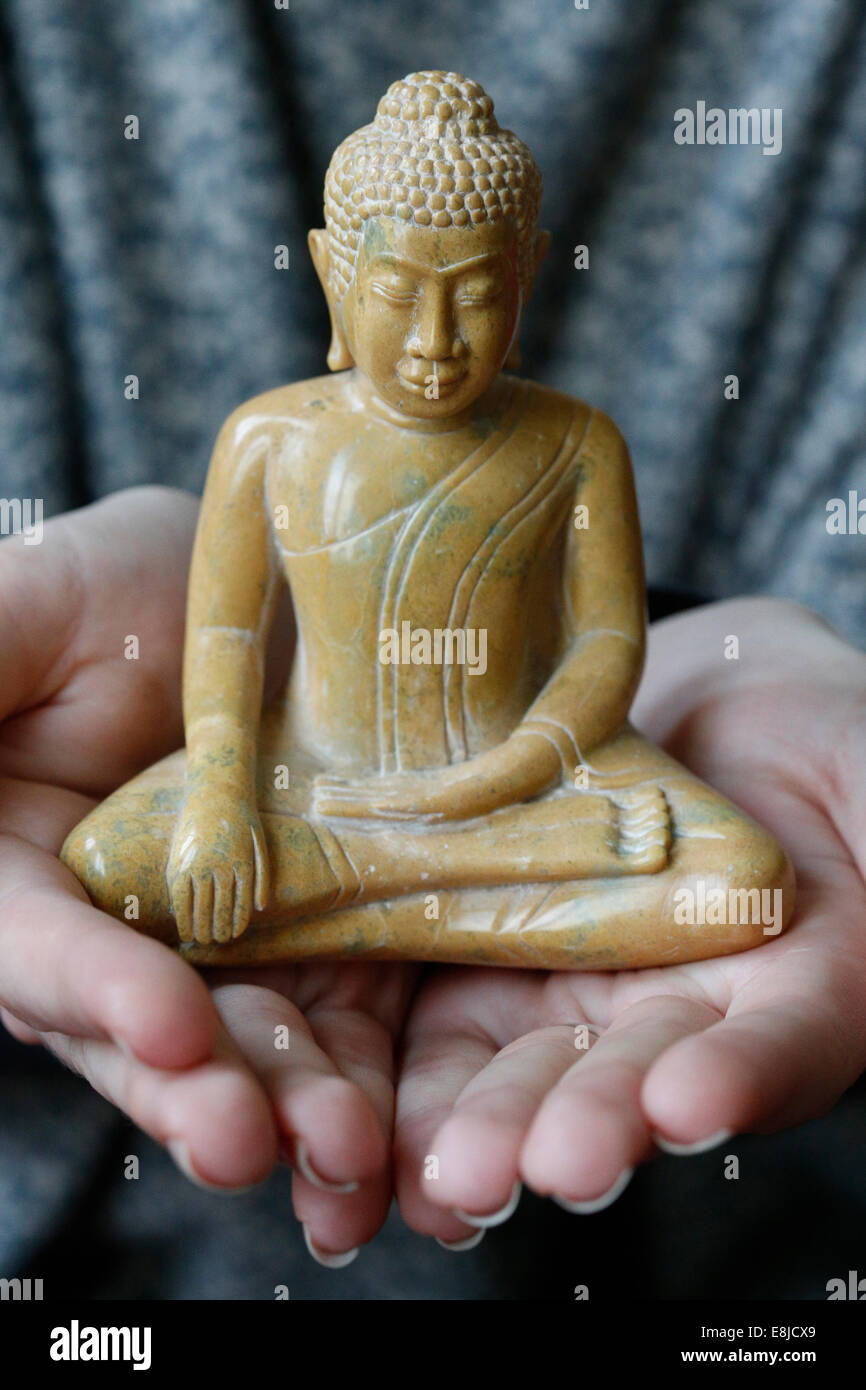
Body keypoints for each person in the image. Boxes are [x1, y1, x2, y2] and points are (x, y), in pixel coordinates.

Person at [1, 0, 864, 1295]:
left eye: (473, 297)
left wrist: (507, 770)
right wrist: (228, 796)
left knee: (745, 876)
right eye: (397, 292)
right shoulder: (271, 440)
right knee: (112, 867)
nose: (433, 339)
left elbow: (611, 639)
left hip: (523, 774)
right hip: (312, 778)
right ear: (330, 271)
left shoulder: (573, 444)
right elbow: (228, 634)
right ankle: (465, 892)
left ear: (526, 272)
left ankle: (372, 889)